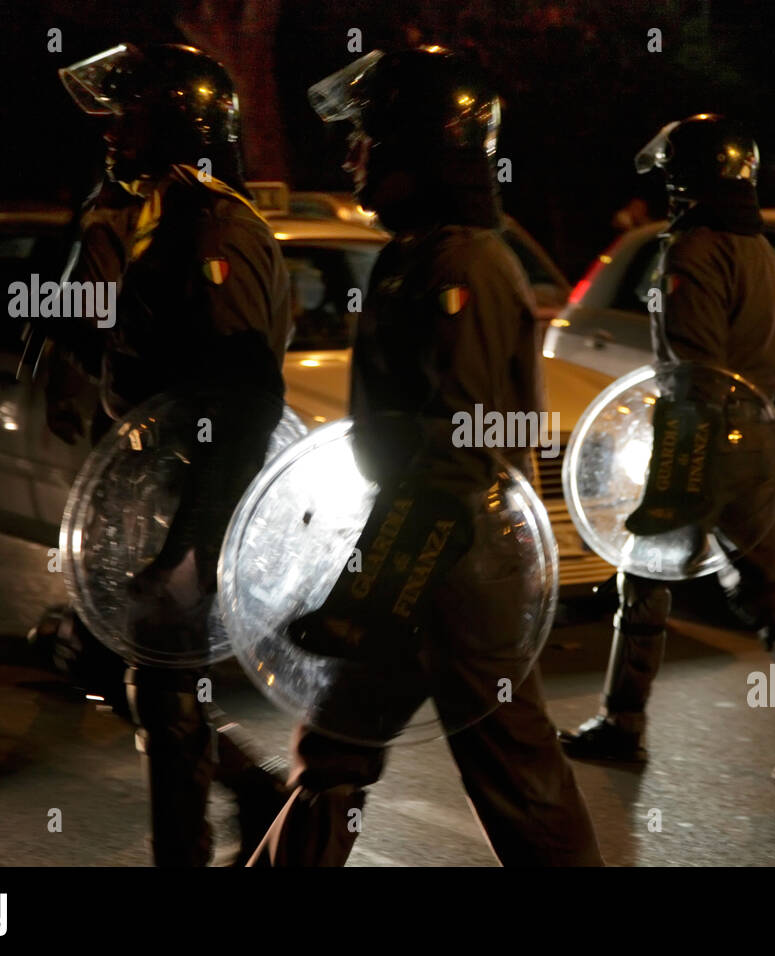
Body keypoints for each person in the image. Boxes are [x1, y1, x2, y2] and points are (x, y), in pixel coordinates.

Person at [253, 46, 602, 866]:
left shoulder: (464, 263)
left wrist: (370, 584)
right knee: (335, 748)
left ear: (418, 149)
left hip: (457, 563)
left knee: (517, 775)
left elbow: (458, 453)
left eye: (367, 139)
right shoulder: (418, 254)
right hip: (421, 548)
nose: (350, 156)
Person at [559, 115, 775, 787]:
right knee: (765, 590)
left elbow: (693, 371)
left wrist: (674, 459)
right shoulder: (760, 249)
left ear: (686, 180)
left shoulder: (694, 248)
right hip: (759, 436)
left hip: (705, 435)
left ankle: (621, 724)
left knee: (642, 577)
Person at [52, 42, 293, 865]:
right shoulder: (150, 213)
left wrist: (192, 544)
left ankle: (217, 827)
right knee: (132, 680)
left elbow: (244, 402)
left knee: (163, 689)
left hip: (193, 497)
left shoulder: (215, 228)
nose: (112, 129)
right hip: (151, 491)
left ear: (174, 125)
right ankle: (245, 798)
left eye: (130, 114)